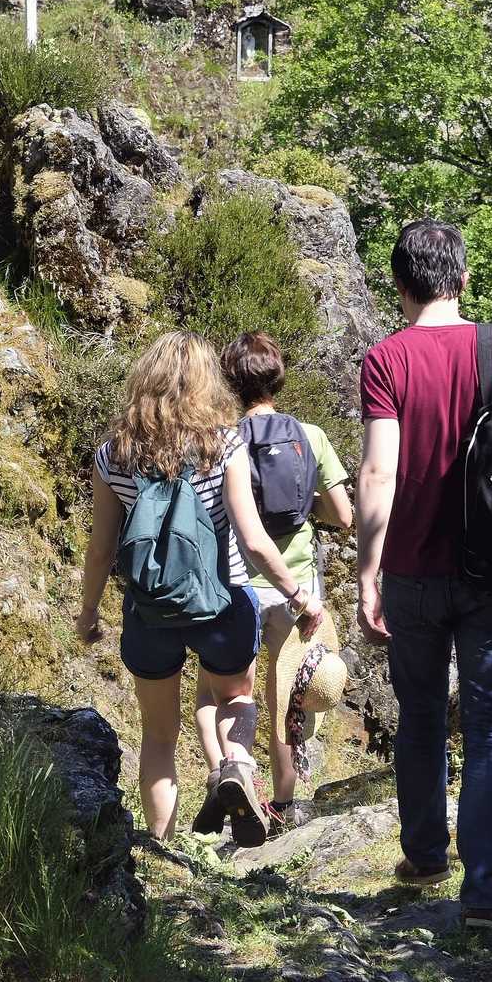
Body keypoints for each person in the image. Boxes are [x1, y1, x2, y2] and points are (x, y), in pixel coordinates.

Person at [356, 219, 492, 920]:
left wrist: (366, 571)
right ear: (463, 279)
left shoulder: (386, 360)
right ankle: (484, 894)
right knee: (490, 727)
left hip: (411, 572)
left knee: (419, 717)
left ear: (399, 283)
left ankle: (424, 855)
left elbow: (378, 472)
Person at [78, 330, 325, 845]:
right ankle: (234, 764)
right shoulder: (224, 444)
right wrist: (297, 594)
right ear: (207, 382)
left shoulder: (111, 456)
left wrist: (89, 612)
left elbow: (100, 550)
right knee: (235, 699)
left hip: (149, 610)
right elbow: (253, 540)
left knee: (158, 735)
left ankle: (161, 848)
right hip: (222, 601)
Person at [192, 331, 353, 822]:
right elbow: (344, 515)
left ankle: (228, 776)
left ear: (229, 382)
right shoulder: (311, 436)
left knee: (214, 693)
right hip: (296, 588)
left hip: (235, 584)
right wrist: (306, 506)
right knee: (288, 697)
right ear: (278, 378)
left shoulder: (219, 441)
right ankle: (282, 803)